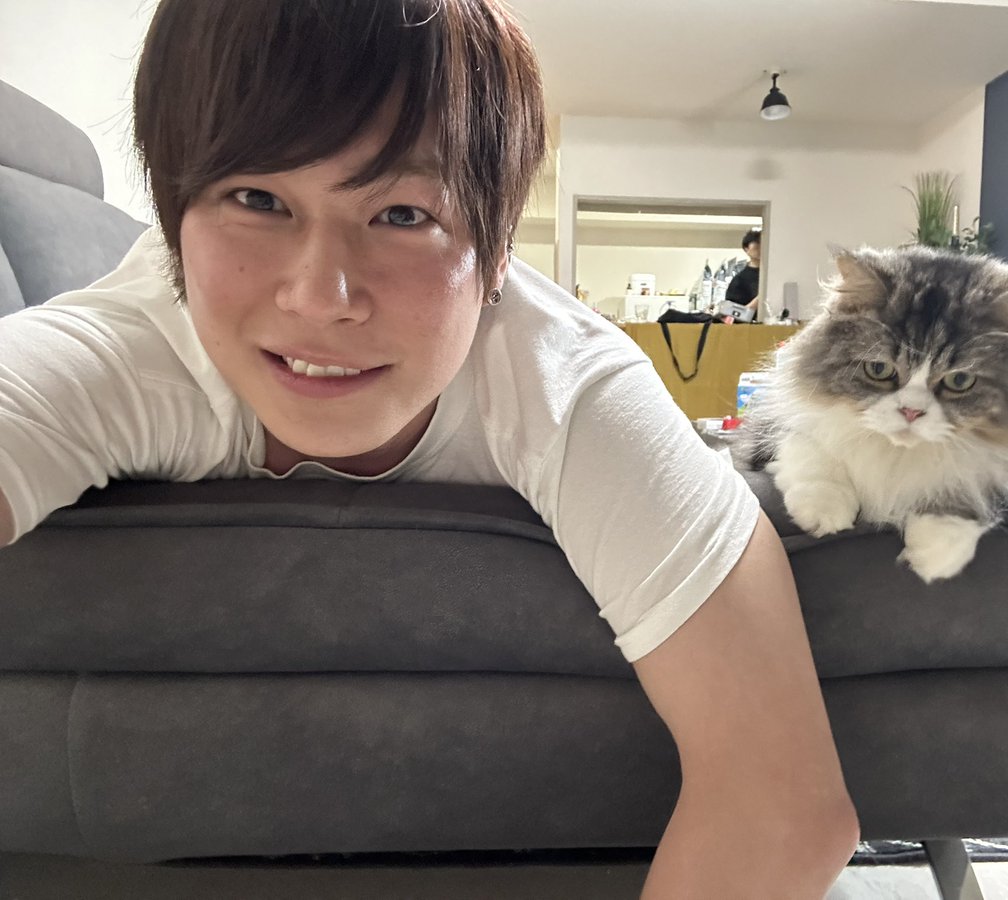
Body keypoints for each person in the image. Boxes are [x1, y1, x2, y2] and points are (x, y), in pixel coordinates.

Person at [0, 1, 858, 895]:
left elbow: (784, 800)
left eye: (403, 214)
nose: (320, 296)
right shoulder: (127, 346)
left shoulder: (572, 387)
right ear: (175, 213)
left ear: (497, 254)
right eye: (258, 199)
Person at [724, 227, 763, 317]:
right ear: (746, 249)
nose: (761, 248)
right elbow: (732, 315)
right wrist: (760, 298)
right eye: (757, 245)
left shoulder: (774, 274)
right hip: (750, 325)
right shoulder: (739, 280)